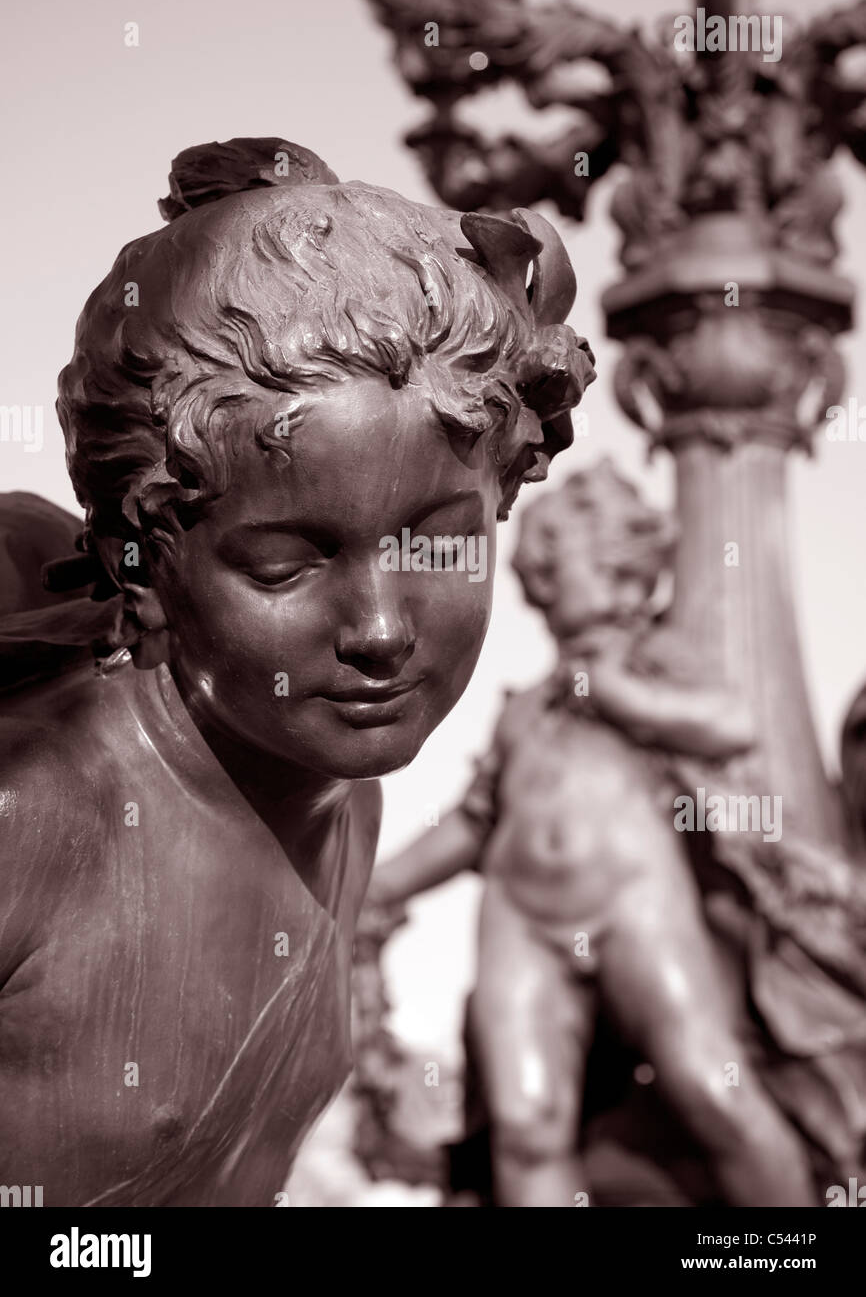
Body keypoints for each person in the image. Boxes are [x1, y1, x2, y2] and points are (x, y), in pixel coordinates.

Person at [0, 137, 594, 1206]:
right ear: (144, 565)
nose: (379, 629)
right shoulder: (33, 819)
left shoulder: (346, 795)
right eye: (282, 564)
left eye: (438, 546)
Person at [367, 461, 816, 1207]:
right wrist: (383, 881)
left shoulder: (654, 668)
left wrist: (622, 696)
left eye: (576, 558)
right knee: (527, 1122)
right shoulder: (527, 710)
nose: (554, 580)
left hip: (637, 905)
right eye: (555, 561)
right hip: (519, 917)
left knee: (713, 1088)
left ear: (625, 571)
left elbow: (730, 723)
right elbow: (476, 823)